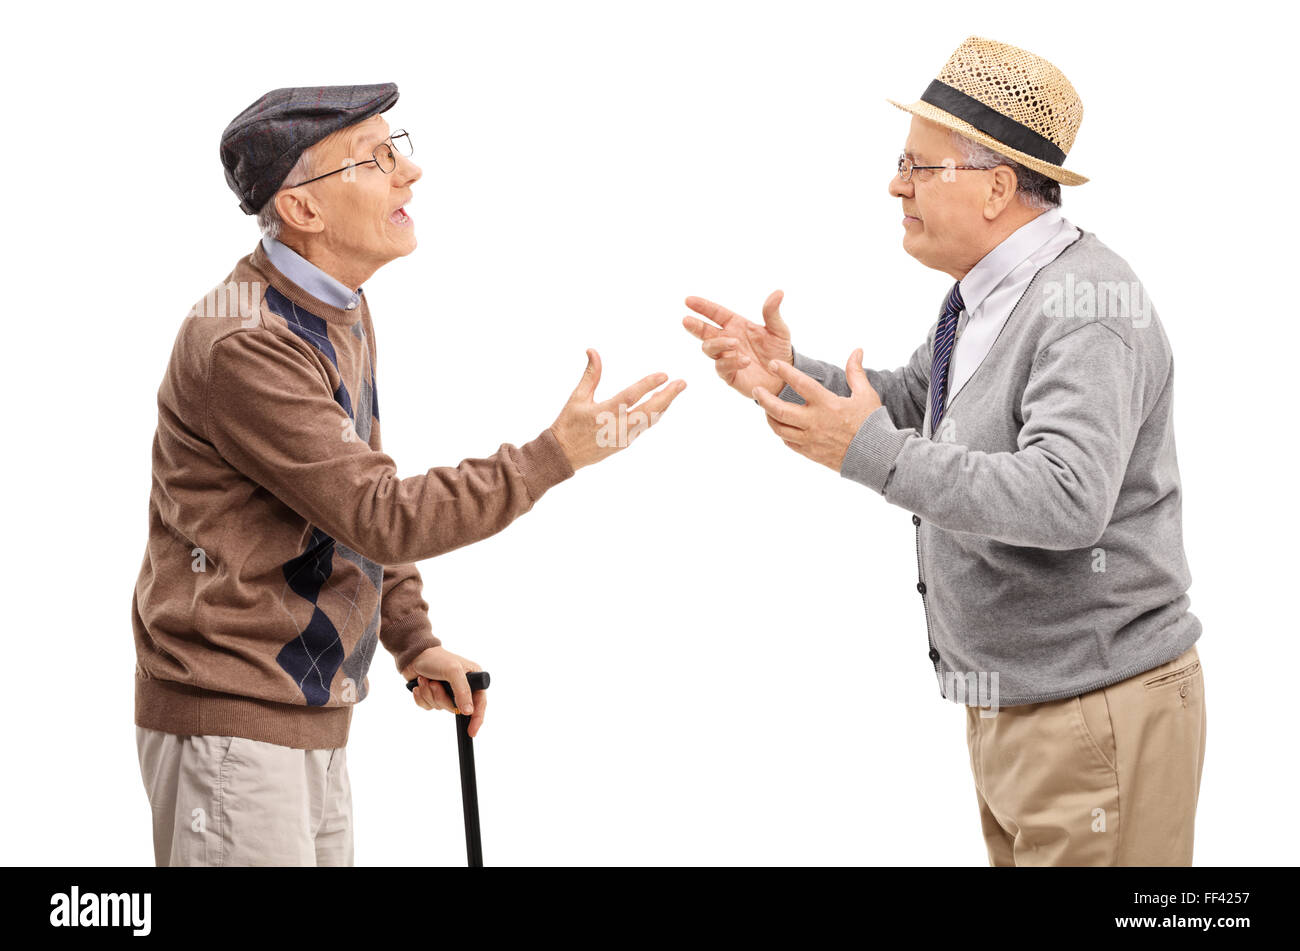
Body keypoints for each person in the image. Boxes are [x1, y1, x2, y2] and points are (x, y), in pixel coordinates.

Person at [682, 37, 1205, 866]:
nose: (896, 184)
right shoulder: (981, 294)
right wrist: (786, 373)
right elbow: (913, 408)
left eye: (918, 167)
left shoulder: (1087, 306)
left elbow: (1068, 498)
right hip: (1021, 709)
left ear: (997, 187)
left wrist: (872, 457)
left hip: (1095, 707)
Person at [133, 83, 686, 866]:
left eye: (400, 148)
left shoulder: (333, 307)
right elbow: (380, 513)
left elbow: (350, 493)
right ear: (303, 210)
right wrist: (553, 455)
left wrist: (411, 638)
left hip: (295, 716)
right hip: (233, 730)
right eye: (377, 159)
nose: (409, 174)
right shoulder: (246, 340)